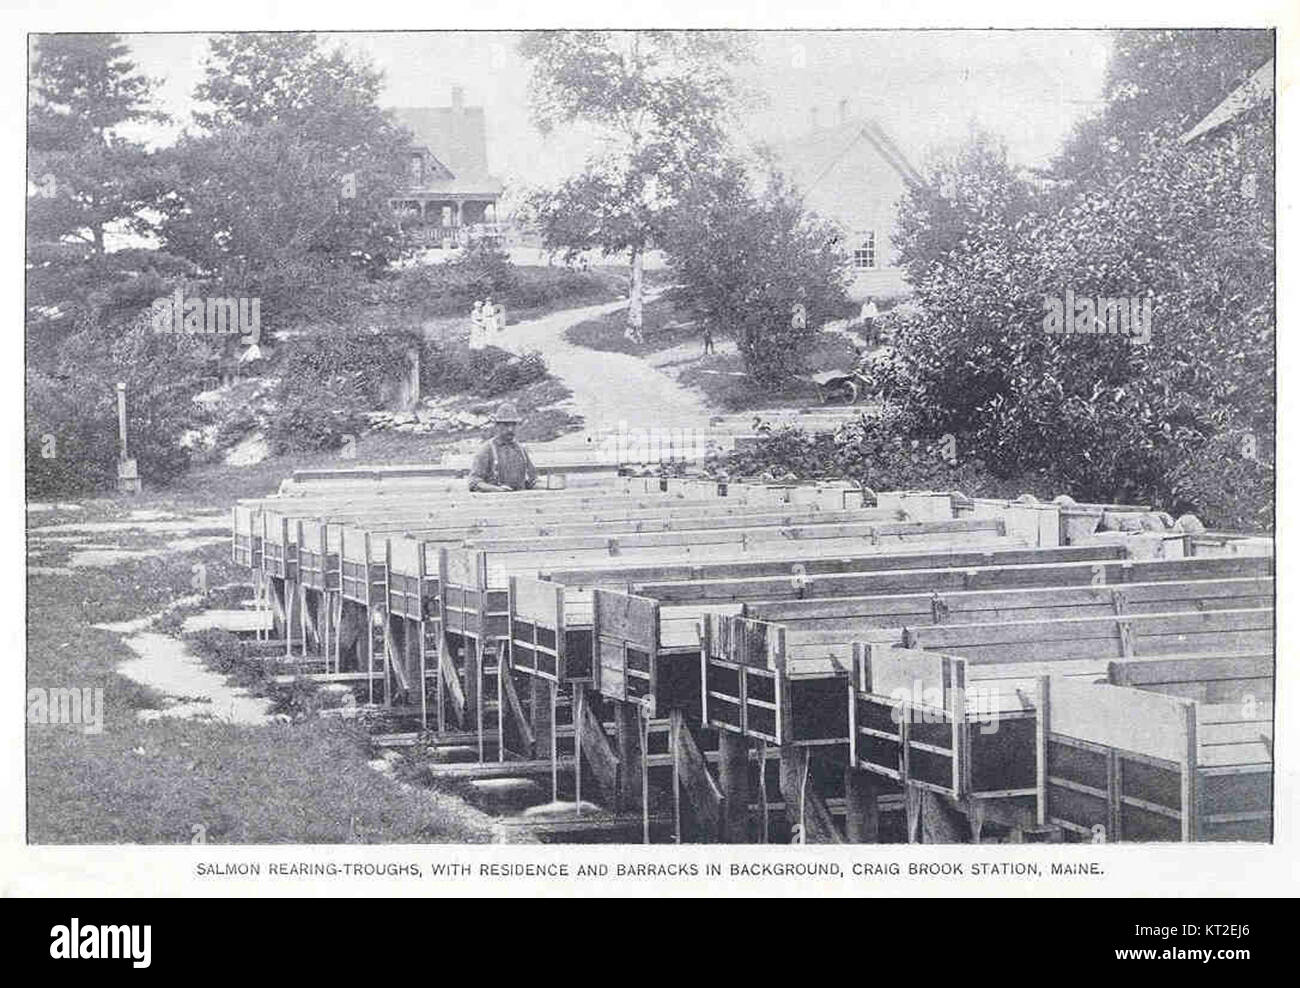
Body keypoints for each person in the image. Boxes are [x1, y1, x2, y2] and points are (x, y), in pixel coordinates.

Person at [467, 402, 538, 492]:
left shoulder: (521, 450)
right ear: (497, 426)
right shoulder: (487, 450)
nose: (510, 429)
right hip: (494, 502)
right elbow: (474, 483)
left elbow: (532, 480)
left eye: (513, 424)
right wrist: (497, 489)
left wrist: (550, 484)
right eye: (506, 425)